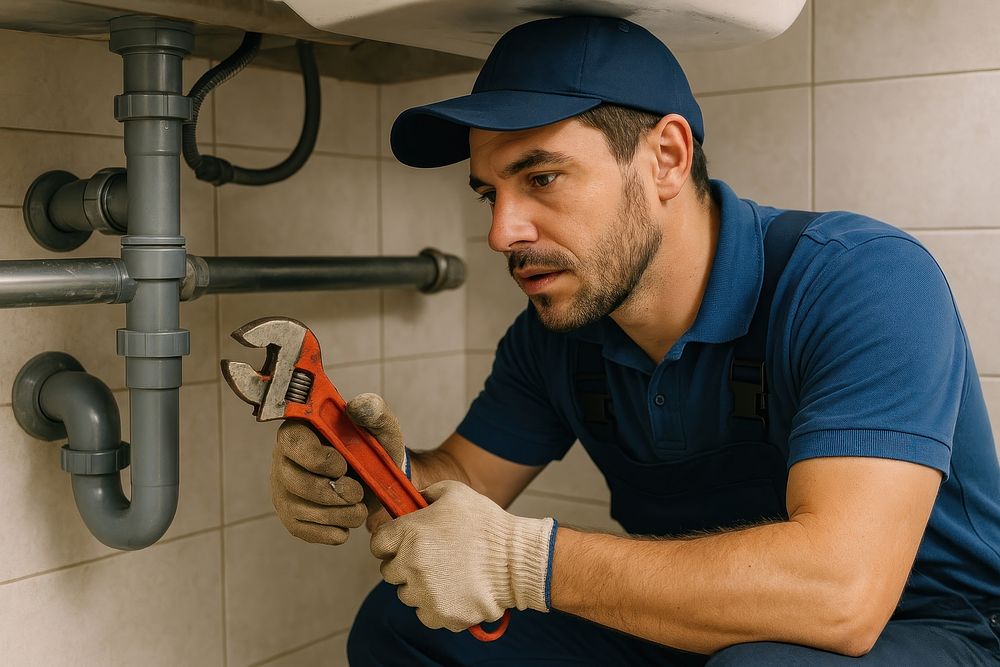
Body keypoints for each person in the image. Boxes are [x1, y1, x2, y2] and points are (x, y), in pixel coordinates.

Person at [270, 15, 1000, 666]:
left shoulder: (860, 281)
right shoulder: (557, 332)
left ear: (667, 159)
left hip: (928, 631)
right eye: (492, 193)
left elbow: (842, 593)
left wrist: (527, 560)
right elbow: (460, 479)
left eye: (543, 177)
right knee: (404, 626)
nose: (501, 232)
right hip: (692, 627)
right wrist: (364, 466)